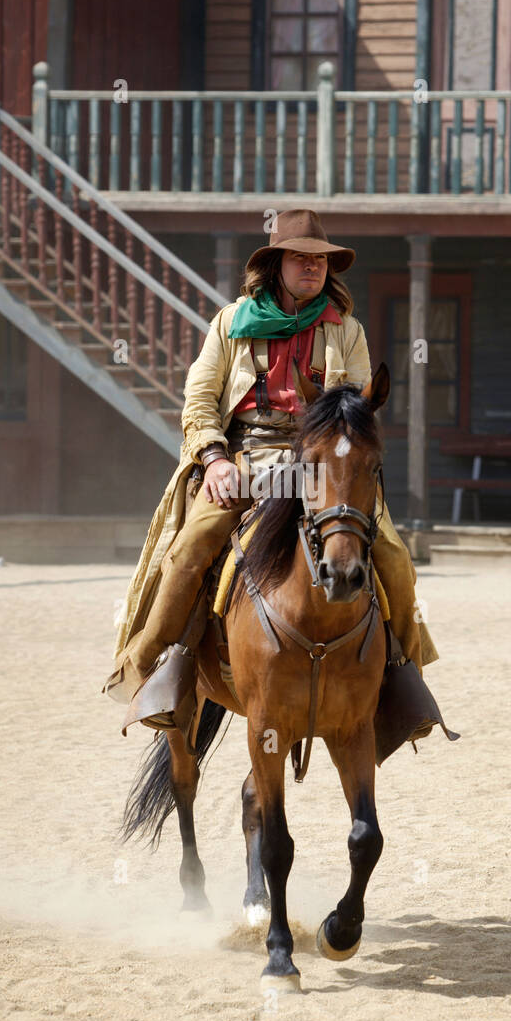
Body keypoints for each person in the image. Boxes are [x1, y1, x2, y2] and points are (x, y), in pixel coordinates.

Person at [105, 208, 438, 730]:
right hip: (242, 460)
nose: (313, 268)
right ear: (276, 265)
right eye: (301, 258)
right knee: (190, 550)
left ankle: (401, 679)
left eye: (321, 261)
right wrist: (213, 459)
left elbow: (353, 410)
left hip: (321, 464)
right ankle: (158, 669)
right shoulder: (229, 322)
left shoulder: (346, 331)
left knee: (394, 556)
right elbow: (198, 400)